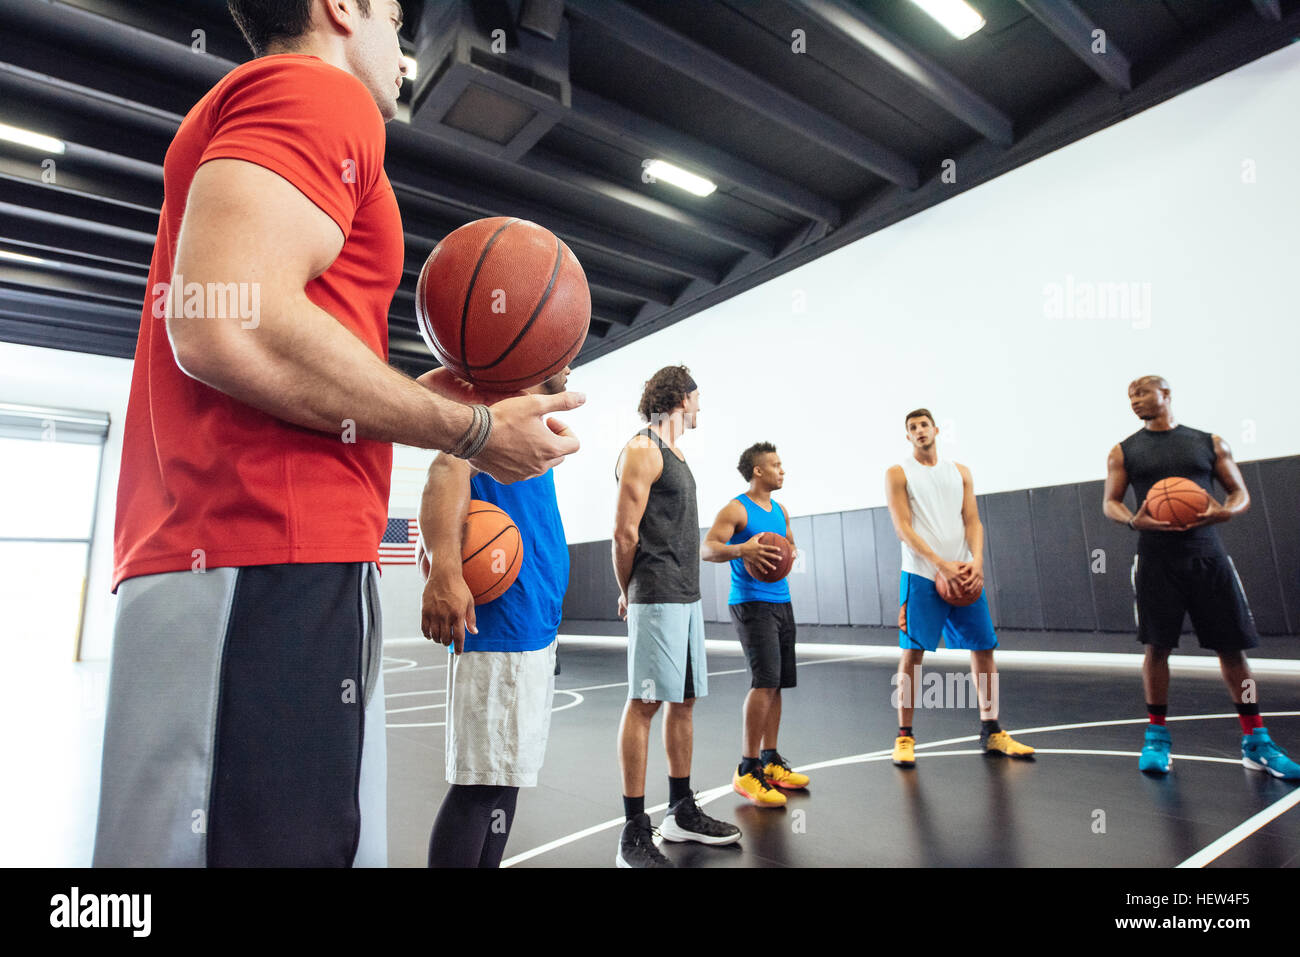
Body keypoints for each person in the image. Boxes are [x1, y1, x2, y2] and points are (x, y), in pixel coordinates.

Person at [93, 0, 582, 867]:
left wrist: (407, 394)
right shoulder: (315, 91)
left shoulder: (281, 103)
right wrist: (469, 428)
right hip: (260, 561)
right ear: (342, 7)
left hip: (266, 564)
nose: (406, 55)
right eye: (396, 16)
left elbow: (256, 324)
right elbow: (225, 325)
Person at [1103, 375, 1299, 779]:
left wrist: (1226, 511)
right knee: (1157, 648)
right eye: (1130, 396)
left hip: (1208, 557)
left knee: (1232, 649)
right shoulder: (1124, 451)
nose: (1135, 401)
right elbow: (1110, 502)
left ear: (1167, 394)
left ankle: (1256, 741)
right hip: (1156, 561)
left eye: (1142, 392)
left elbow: (1239, 492)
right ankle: (1156, 738)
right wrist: (1135, 521)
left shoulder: (1209, 442)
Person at [418, 368, 574, 867]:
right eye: (563, 349)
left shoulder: (525, 425)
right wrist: (444, 568)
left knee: (504, 783)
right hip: (502, 627)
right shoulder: (489, 412)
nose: (570, 361)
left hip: (534, 629)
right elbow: (445, 469)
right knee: (479, 789)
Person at [612, 365, 741, 867]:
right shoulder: (643, 449)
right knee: (645, 703)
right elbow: (623, 533)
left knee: (683, 701)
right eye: (697, 396)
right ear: (681, 398)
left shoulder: (676, 454)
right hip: (656, 593)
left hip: (685, 597)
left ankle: (681, 811)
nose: (701, 404)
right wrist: (629, 591)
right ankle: (632, 830)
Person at [885, 409, 1035, 768]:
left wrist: (977, 561)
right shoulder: (898, 473)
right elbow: (903, 528)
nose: (919, 431)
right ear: (908, 437)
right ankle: (904, 736)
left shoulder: (961, 471)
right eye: (912, 428)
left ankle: (992, 729)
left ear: (936, 430)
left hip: (965, 574)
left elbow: (973, 521)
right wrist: (941, 565)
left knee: (984, 648)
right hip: (922, 574)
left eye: (924, 425)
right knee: (913, 654)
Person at [702, 442, 809, 807]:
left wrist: (789, 552)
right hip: (750, 603)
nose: (783, 470)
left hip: (781, 601)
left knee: (777, 684)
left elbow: (789, 547)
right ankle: (747, 769)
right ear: (758, 471)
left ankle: (770, 759)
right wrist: (742, 549)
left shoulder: (780, 510)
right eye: (776, 465)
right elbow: (708, 548)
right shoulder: (736, 508)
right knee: (763, 682)